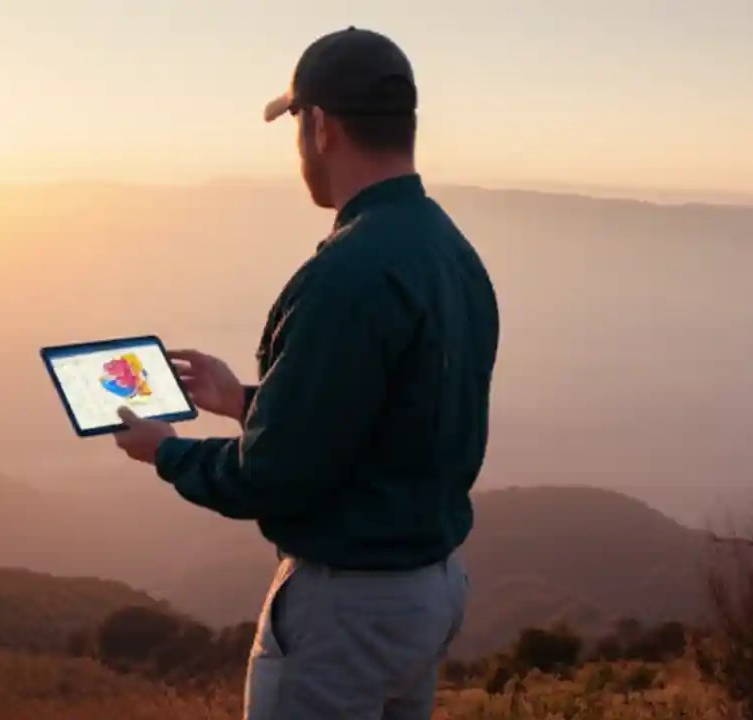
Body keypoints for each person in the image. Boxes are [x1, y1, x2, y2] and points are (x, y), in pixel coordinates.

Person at [113, 26, 499, 720]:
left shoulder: (346, 273)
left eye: (295, 124)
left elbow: (275, 477)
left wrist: (165, 452)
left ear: (319, 127)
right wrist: (244, 401)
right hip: (429, 592)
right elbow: (397, 414)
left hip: (346, 611)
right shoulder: (451, 250)